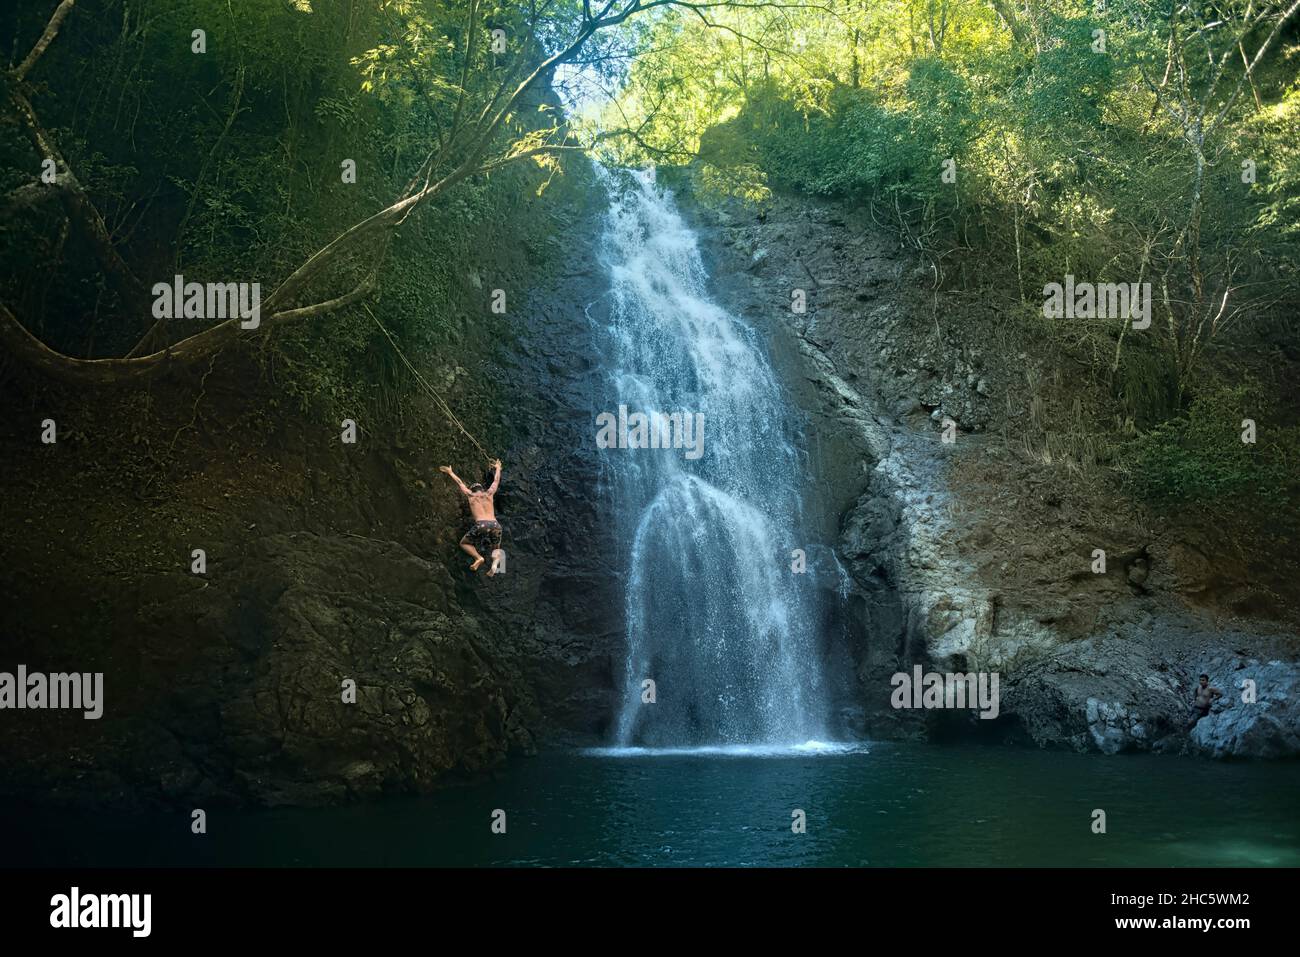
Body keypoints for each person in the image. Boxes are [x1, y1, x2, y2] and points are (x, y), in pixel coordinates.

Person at [439, 459, 503, 574]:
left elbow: (460, 483)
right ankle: (494, 565)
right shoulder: (489, 493)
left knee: (464, 543)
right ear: (482, 489)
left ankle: (478, 558)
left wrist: (450, 472)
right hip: (495, 524)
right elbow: (496, 481)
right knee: (496, 548)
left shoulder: (471, 495)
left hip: (482, 524)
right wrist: (498, 468)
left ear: (472, 489)